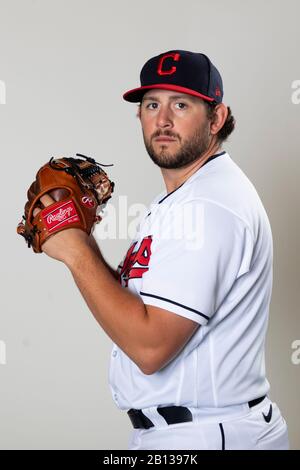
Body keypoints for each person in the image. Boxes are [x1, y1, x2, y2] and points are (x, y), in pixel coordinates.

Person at [35, 50, 289, 450]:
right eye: (152, 104)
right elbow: (137, 307)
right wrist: (81, 243)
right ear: (139, 115)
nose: (163, 120)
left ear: (216, 118)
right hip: (195, 430)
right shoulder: (181, 197)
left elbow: (151, 346)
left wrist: (76, 252)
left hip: (208, 434)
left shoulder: (209, 206)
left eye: (181, 105)